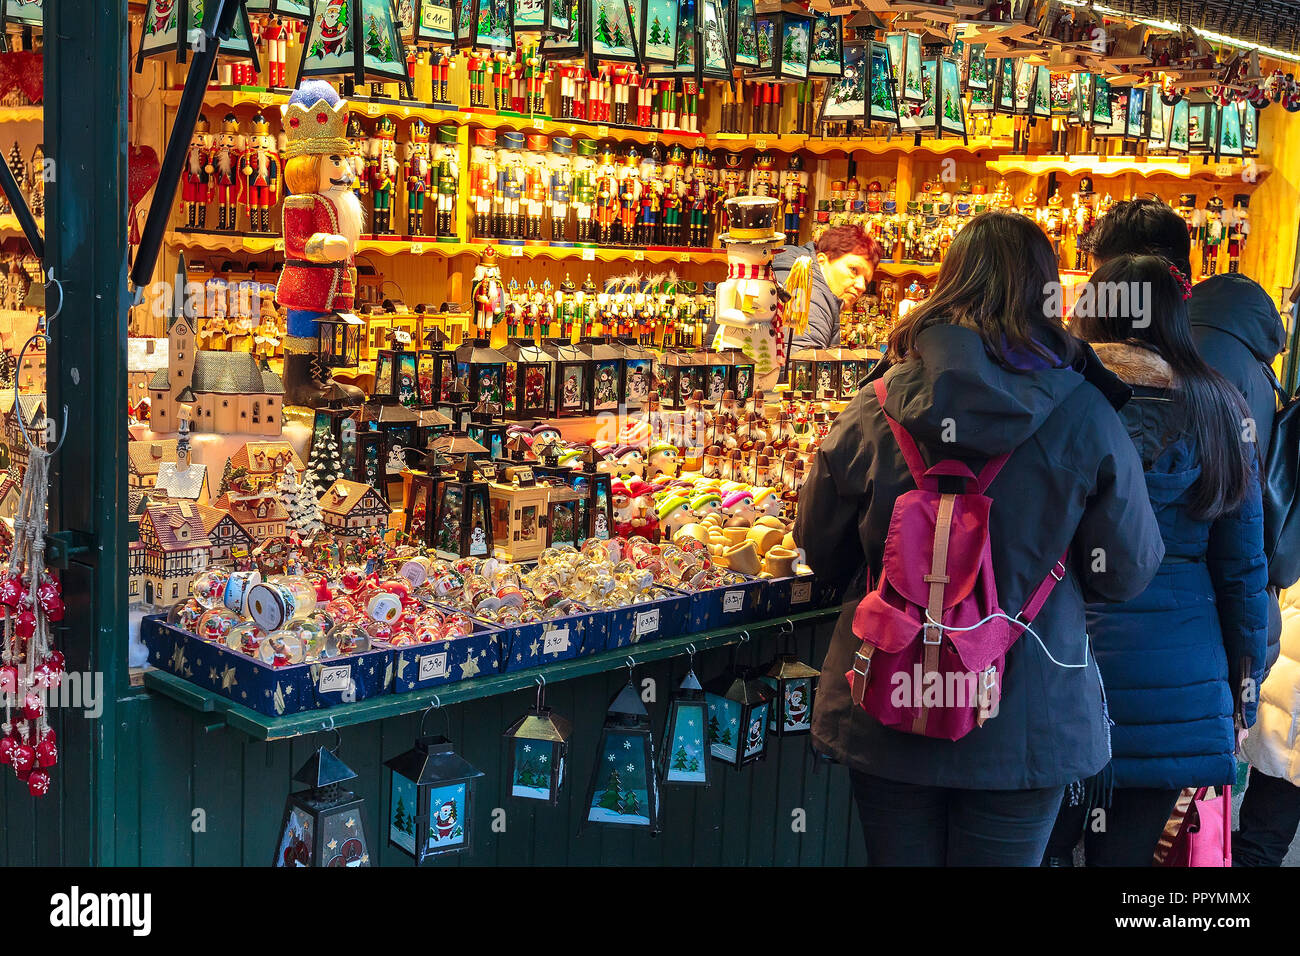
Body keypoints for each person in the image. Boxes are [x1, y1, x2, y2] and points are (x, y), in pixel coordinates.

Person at [796, 211, 1163, 867]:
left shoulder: (877, 402)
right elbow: (1126, 571)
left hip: (889, 700)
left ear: (948, 283)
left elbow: (820, 547)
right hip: (1025, 713)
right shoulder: (1085, 413)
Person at [1055, 254, 1268, 866]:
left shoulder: (1062, 397)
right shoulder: (1222, 409)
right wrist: (1244, 694)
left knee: (1037, 850)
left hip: (1062, 672)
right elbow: (1242, 571)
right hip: (1180, 686)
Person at [772, 224, 881, 351]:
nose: (861, 286)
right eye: (853, 270)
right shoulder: (812, 299)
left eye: (866, 281)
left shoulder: (804, 284)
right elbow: (797, 365)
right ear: (821, 260)